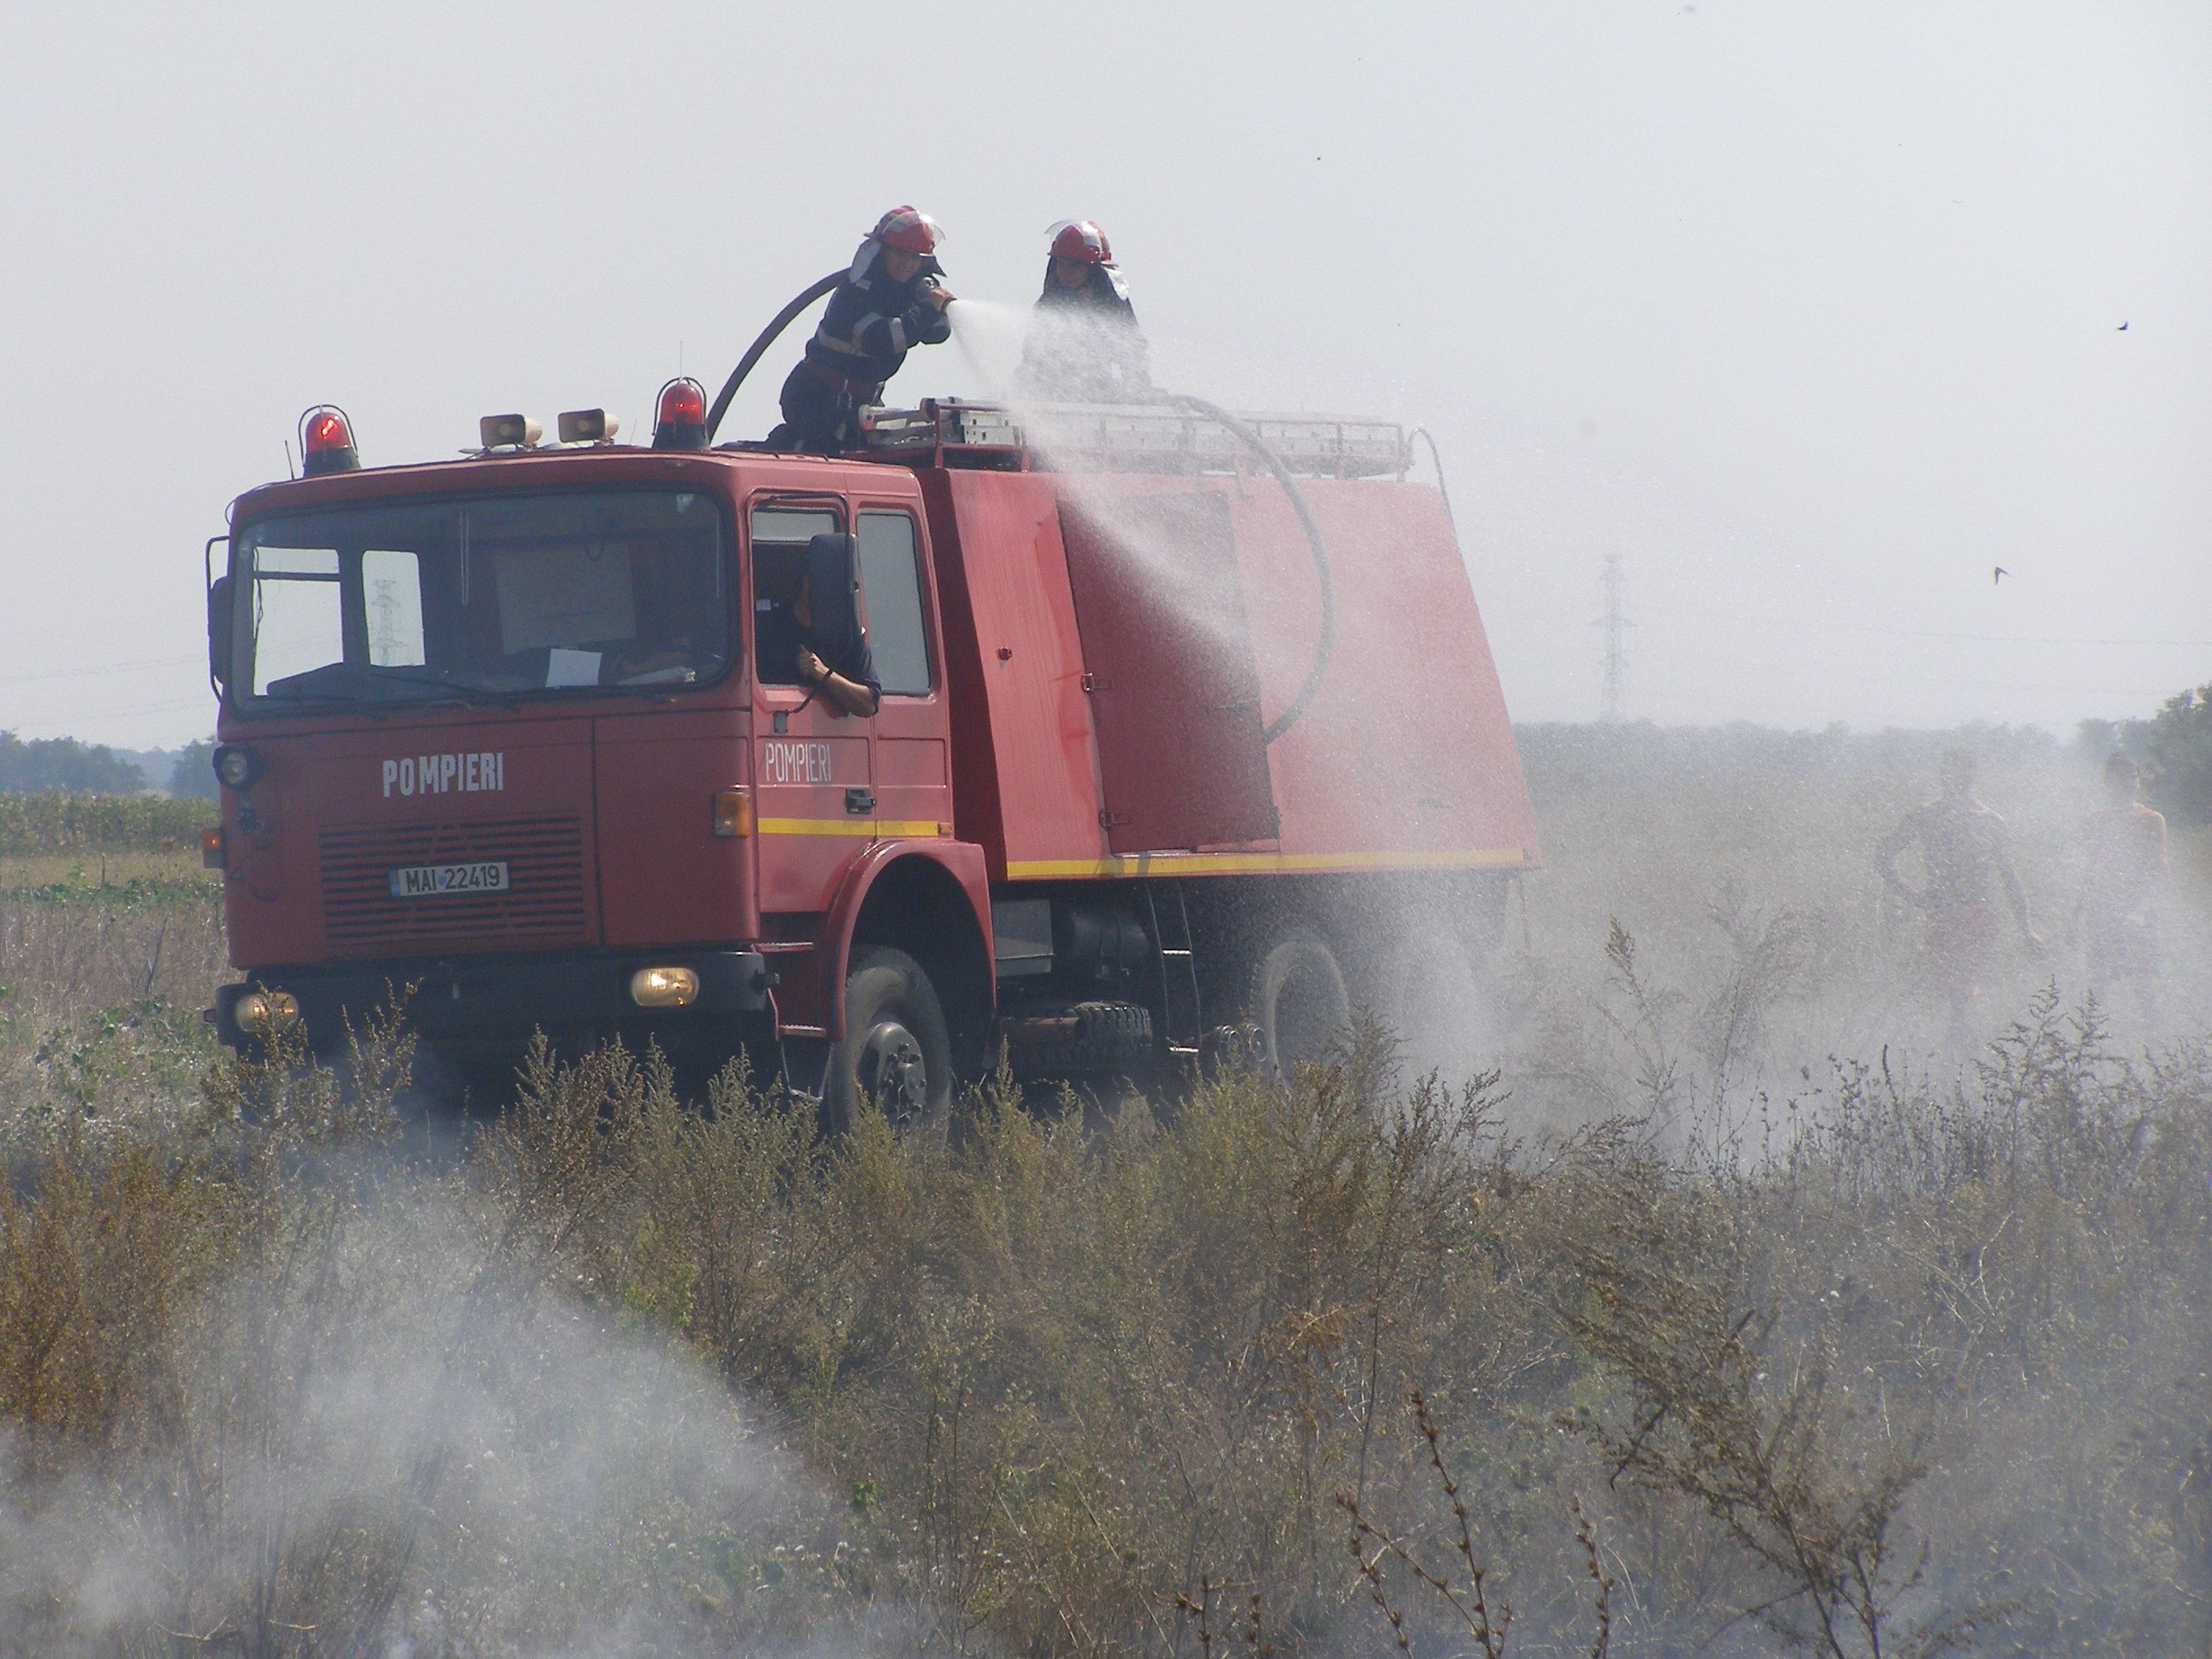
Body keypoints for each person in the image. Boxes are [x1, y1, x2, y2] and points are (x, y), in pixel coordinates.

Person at [1877, 749, 2043, 1028]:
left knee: (1960, 996)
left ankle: (1958, 1054)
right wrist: (1912, 896)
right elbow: (1883, 856)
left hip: (1979, 916)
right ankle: (1955, 1052)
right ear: (1943, 776)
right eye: (1950, 771)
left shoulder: (1990, 821)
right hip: (1941, 914)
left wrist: (2027, 929)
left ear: (1972, 776)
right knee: (1948, 993)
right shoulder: (1927, 816)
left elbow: (2010, 878)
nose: (1956, 778)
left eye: (1962, 772)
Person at [771, 207, 954, 453]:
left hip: (860, 402)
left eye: (915, 257)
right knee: (821, 453)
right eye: (901, 253)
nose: (908, 264)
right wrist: (927, 309)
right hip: (815, 398)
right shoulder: (857, 293)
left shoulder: (906, 292)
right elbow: (881, 340)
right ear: (881, 251)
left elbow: (938, 333)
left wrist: (931, 302)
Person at [2075, 753, 2167, 1027]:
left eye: (2132, 776)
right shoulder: (2095, 821)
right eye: (2120, 777)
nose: (2128, 783)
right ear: (2108, 781)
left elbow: (2158, 872)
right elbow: (2089, 872)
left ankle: (2158, 1053)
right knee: (2098, 988)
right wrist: (2074, 919)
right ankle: (2089, 1053)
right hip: (2102, 913)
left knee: (2145, 989)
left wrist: (2139, 911)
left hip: (2139, 914)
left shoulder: (2151, 820)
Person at [1016, 219, 1152, 402]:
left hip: (1096, 398)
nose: (1065, 272)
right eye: (1061, 264)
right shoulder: (1049, 304)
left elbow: (1132, 350)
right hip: (1049, 396)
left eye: (1074, 266)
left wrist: (1138, 392)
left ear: (1093, 271)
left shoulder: (1111, 305)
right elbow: (1032, 354)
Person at [753, 546, 879, 718]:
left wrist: (824, 674)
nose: (835, 593)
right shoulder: (767, 624)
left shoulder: (845, 634)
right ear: (807, 582)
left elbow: (869, 705)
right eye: (829, 583)